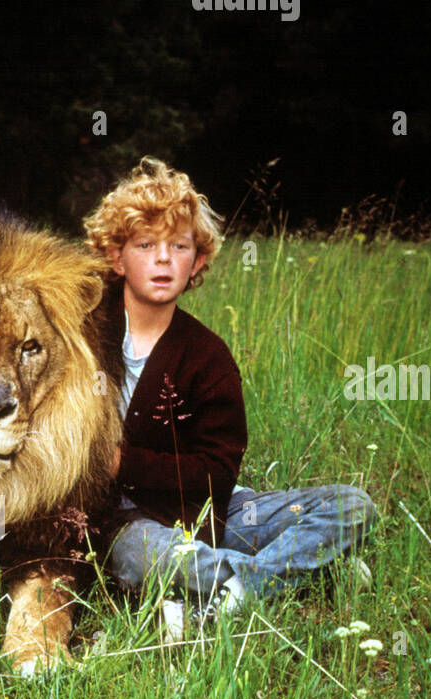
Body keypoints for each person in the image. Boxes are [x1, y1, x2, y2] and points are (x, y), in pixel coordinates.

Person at [82, 158, 376, 637]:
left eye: (179, 246)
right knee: (142, 554)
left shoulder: (207, 355)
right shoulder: (82, 332)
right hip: (121, 519)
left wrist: (122, 463)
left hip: (211, 513)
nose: (162, 259)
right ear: (118, 258)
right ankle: (311, 573)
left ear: (196, 262)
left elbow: (216, 473)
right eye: (145, 245)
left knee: (351, 504)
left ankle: (228, 596)